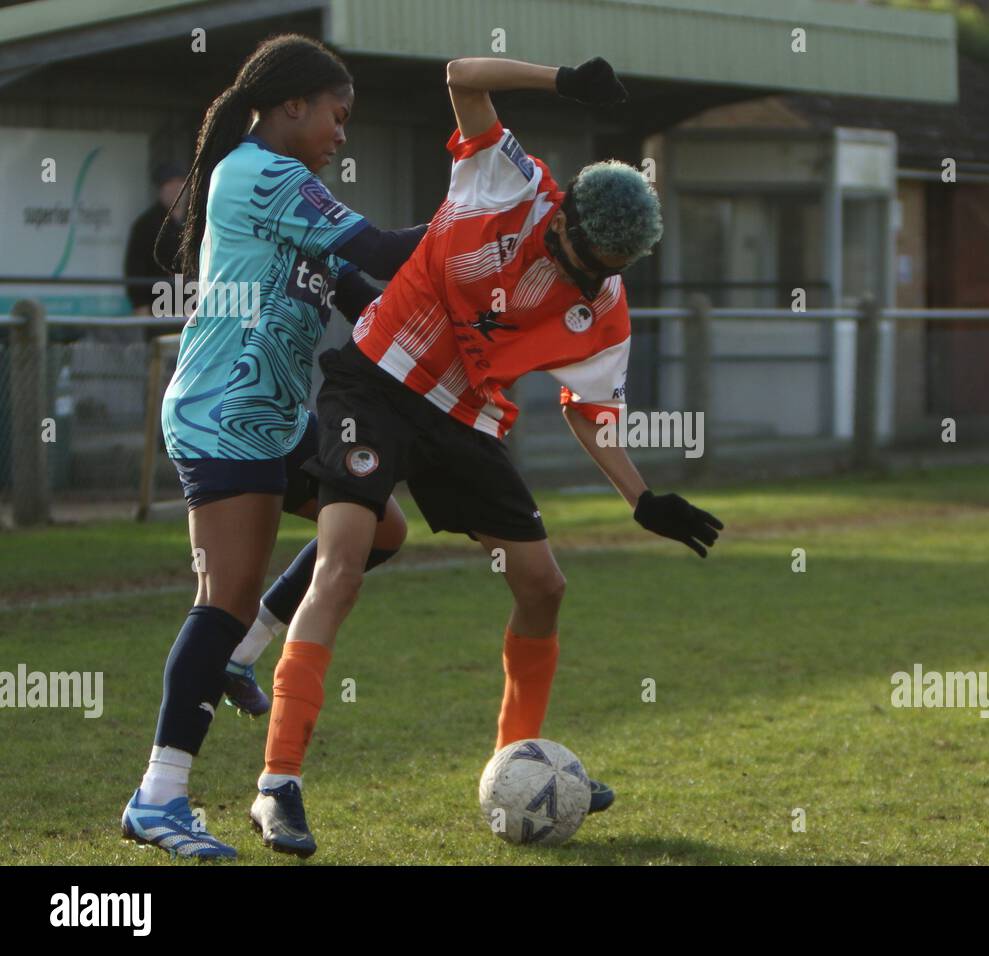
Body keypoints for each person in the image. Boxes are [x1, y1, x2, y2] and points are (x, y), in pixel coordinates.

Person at [246, 55, 723, 858]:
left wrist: (642, 499)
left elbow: (592, 412)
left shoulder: (602, 307)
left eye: (601, 276)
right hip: (375, 381)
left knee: (542, 585)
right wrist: (565, 79)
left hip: (464, 420)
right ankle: (277, 786)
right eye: (577, 260)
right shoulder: (509, 180)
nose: (581, 282)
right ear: (563, 212)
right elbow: (463, 74)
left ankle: (520, 765)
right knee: (344, 562)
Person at [120, 33, 428, 860]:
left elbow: (369, 291)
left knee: (383, 532)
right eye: (338, 114)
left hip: (278, 420)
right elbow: (383, 251)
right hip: (227, 415)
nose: (342, 131)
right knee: (222, 597)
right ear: (291, 104)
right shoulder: (262, 174)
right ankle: (158, 798)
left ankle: (238, 656)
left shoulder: (291, 188)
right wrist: (477, 223)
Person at [124, 160, 188, 334]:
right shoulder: (146, 225)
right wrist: (140, 306)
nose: (176, 189)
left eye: (181, 183)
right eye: (170, 184)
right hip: (158, 308)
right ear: (160, 189)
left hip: (192, 309)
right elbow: (134, 268)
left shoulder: (196, 222)